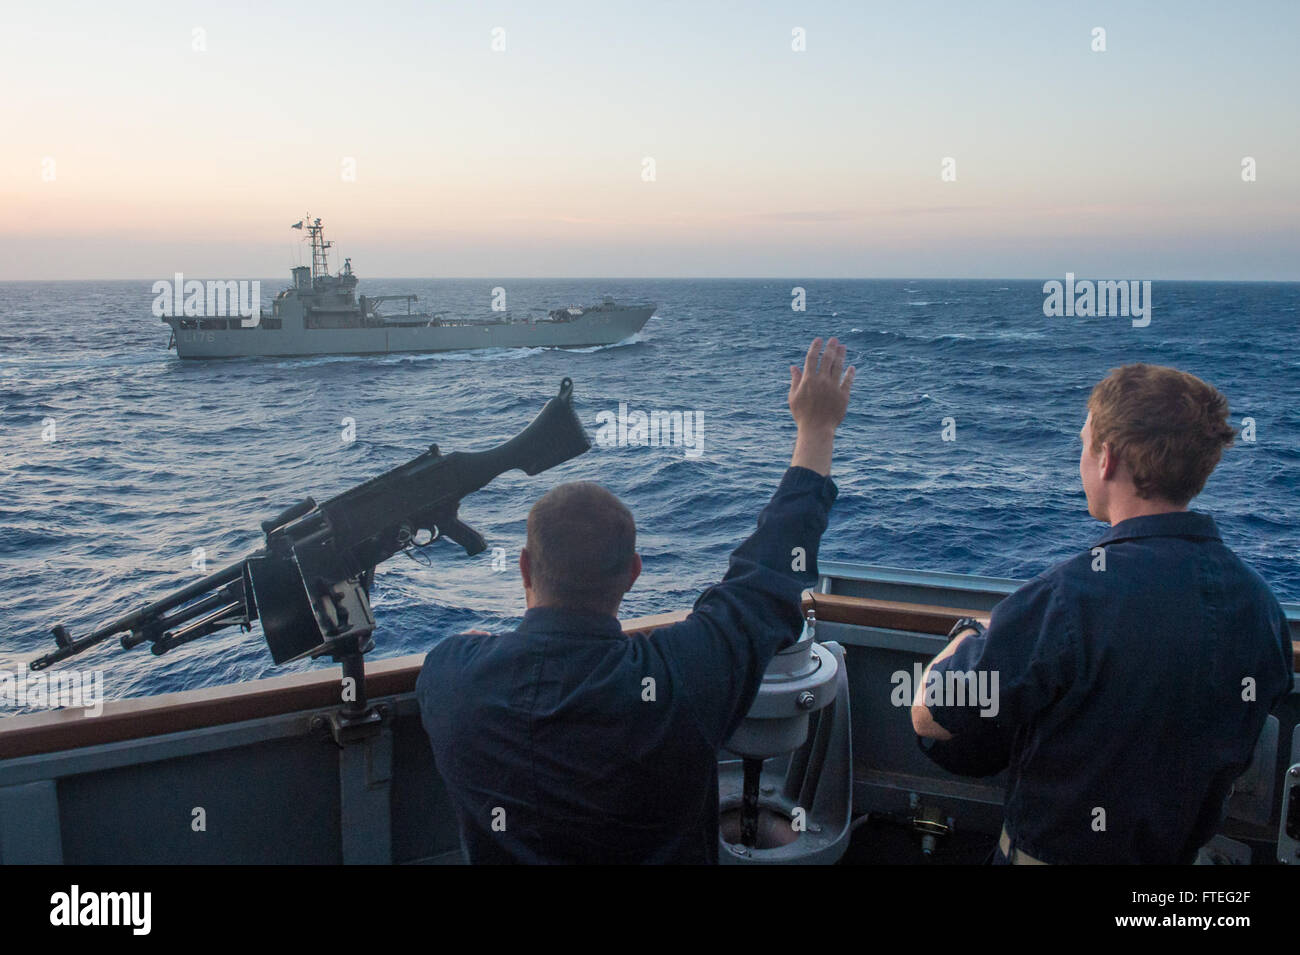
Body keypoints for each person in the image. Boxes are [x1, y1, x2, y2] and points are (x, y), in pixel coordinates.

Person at [417, 337, 855, 863]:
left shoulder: (452, 679)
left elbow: (450, 662)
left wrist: (471, 653)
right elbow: (770, 574)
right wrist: (817, 429)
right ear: (633, 574)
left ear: (525, 568)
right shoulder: (682, 679)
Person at [911, 363, 1294, 864]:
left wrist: (966, 636)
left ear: (1107, 459)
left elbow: (932, 715)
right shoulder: (1262, 607)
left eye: (1084, 444)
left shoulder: (1069, 598)